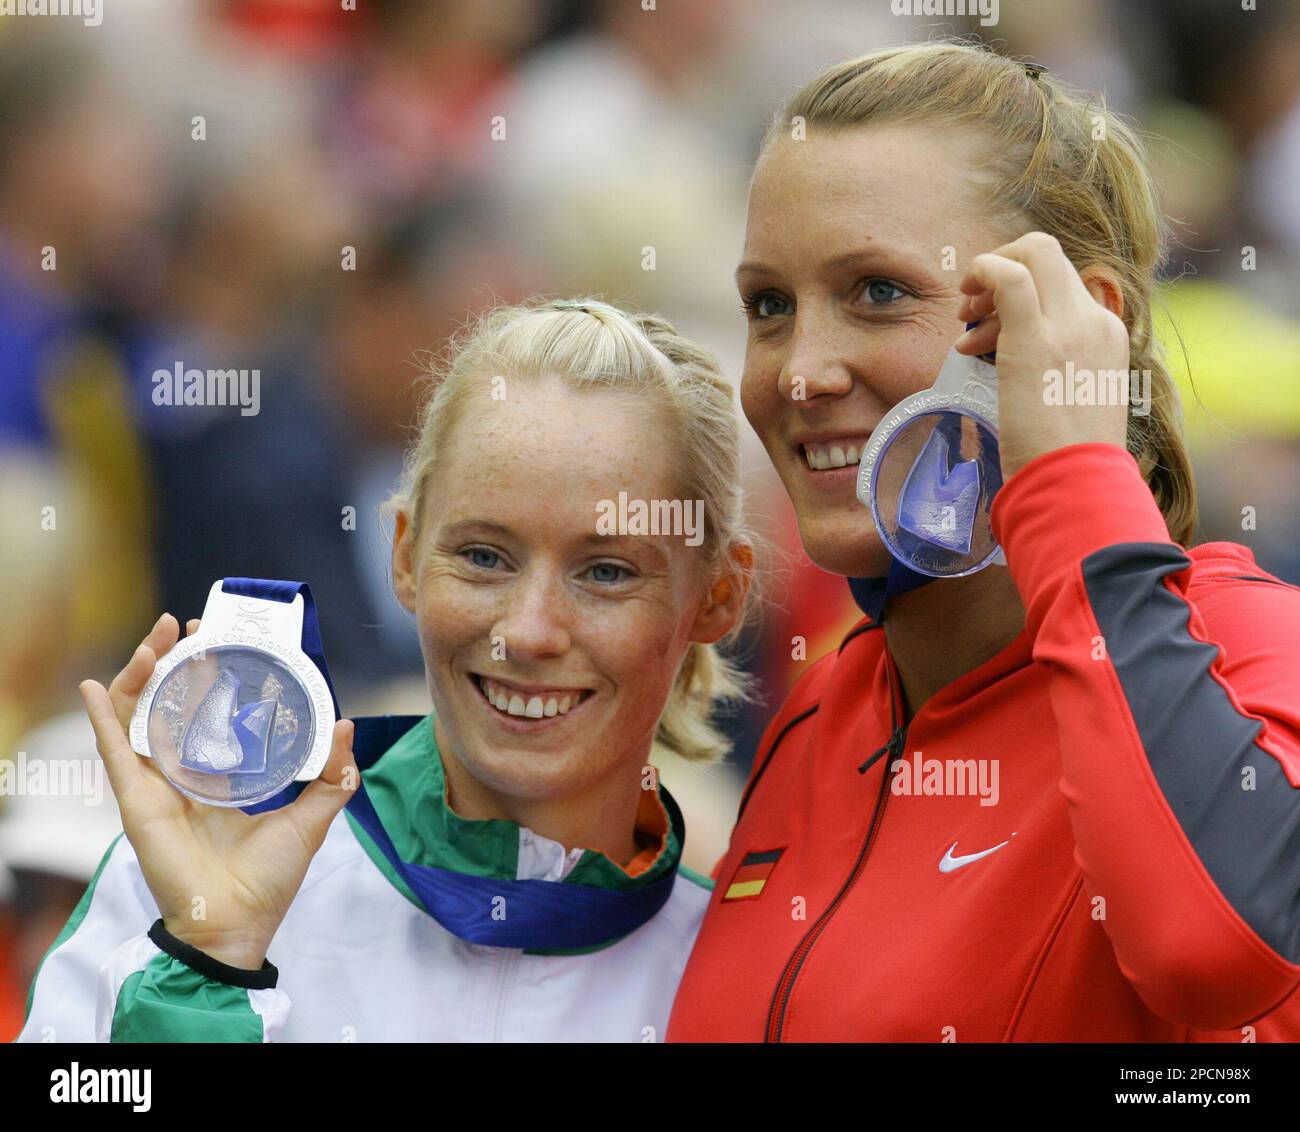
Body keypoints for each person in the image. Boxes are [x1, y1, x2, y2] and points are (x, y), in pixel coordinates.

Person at [668, 41, 1300, 1042]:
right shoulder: (826, 706)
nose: (798, 370)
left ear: (1074, 328)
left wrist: (1073, 478)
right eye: (769, 306)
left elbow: (1217, 949)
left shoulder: (1253, 643)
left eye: (876, 290)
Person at [18, 298, 753, 1043]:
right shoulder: (183, 880)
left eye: (605, 571)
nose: (528, 633)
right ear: (403, 555)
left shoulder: (745, 969)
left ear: (718, 597)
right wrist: (206, 966)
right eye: (483, 557)